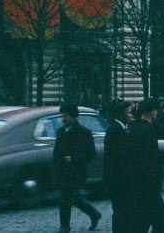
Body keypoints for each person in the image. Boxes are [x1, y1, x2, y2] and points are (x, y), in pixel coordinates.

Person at [53, 103, 102, 233]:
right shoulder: (60, 132)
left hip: (76, 172)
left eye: (66, 116)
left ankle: (65, 227)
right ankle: (94, 214)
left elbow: (91, 153)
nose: (63, 119)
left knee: (64, 199)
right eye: (62, 116)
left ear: (74, 117)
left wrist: (74, 159)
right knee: (73, 198)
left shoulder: (84, 133)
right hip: (63, 172)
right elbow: (56, 152)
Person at [129, 98, 164, 232]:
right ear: (152, 112)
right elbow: (149, 159)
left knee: (145, 219)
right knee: (158, 215)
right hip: (147, 183)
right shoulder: (147, 130)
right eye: (156, 111)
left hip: (136, 181)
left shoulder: (134, 127)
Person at [105, 100, 133, 232]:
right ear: (121, 113)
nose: (130, 114)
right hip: (119, 180)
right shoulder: (115, 130)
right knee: (121, 212)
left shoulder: (120, 128)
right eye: (128, 111)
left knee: (123, 211)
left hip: (119, 179)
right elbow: (120, 157)